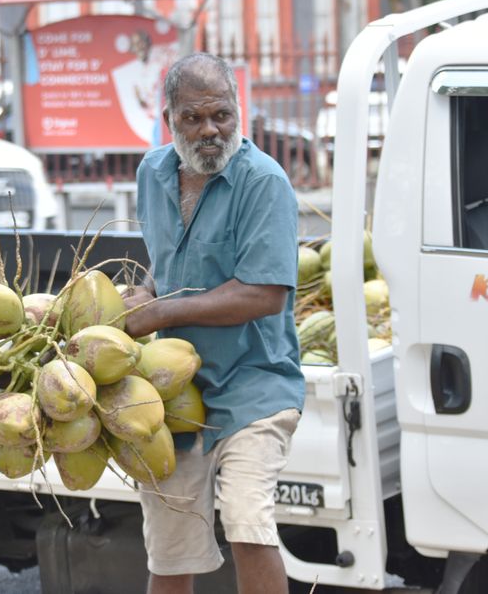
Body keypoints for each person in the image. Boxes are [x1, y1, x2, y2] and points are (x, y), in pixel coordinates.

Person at [123, 52, 305, 594]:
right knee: (170, 545)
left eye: (221, 115)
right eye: (194, 118)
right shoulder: (153, 173)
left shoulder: (263, 182)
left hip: (254, 384)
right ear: (169, 120)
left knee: (248, 521)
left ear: (237, 111)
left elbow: (264, 293)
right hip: (175, 390)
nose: (210, 130)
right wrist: (148, 289)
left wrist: (161, 311)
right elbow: (169, 254)